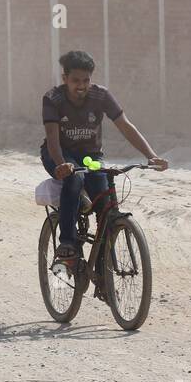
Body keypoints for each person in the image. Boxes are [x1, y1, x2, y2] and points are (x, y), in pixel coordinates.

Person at [41, 50, 167, 262]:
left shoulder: (101, 96)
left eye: (86, 80)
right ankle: (68, 242)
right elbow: (52, 138)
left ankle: (102, 264)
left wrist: (151, 156)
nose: (81, 86)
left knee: (104, 195)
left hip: (90, 156)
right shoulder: (53, 98)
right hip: (59, 154)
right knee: (74, 179)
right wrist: (62, 165)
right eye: (75, 80)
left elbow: (126, 127)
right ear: (65, 79)